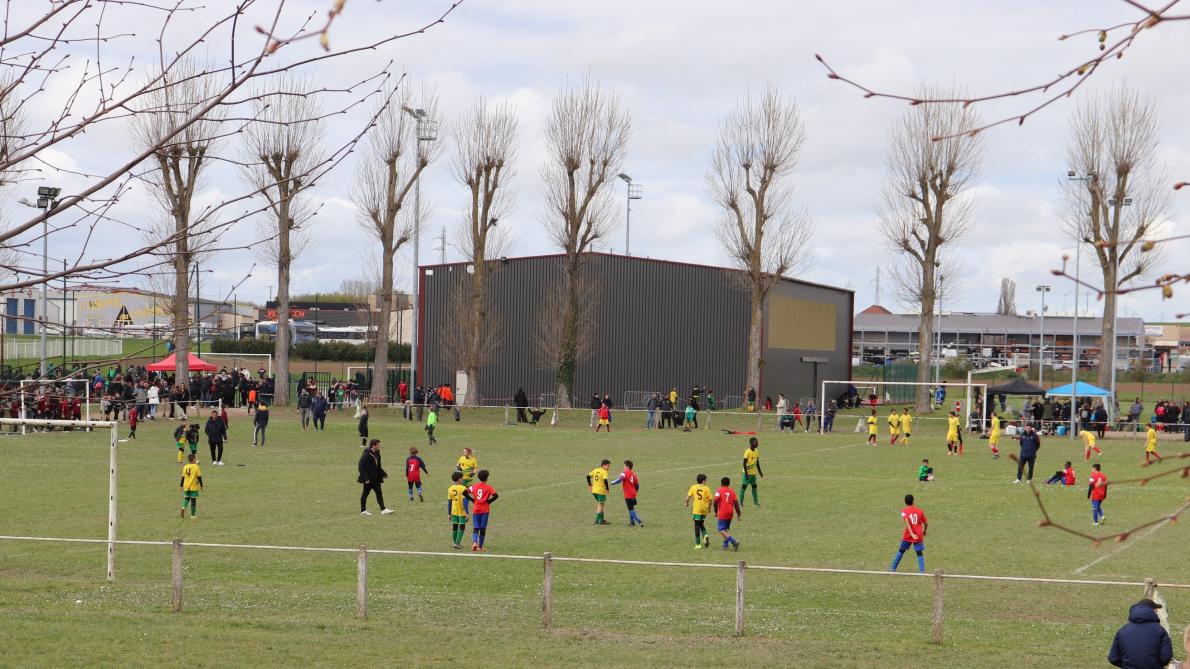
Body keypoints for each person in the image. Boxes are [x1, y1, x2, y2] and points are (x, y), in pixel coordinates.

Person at [1108, 599, 1173, 669]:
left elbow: (1113, 658)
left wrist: (1126, 665)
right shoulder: (1160, 630)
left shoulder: (1122, 631)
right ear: (1154, 610)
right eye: (1156, 610)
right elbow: (1166, 657)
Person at [890, 494, 927, 573]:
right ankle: (922, 571)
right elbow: (926, 523)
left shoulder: (904, 511)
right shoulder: (920, 511)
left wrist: (911, 533)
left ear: (905, 502)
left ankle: (893, 568)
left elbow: (907, 521)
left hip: (908, 535)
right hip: (918, 534)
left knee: (901, 550)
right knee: (919, 552)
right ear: (913, 501)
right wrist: (925, 531)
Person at [357, 439, 392, 516]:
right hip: (368, 479)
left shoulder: (377, 454)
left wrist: (383, 473)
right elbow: (360, 467)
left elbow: (378, 466)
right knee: (365, 494)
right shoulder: (366, 454)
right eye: (378, 445)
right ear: (374, 445)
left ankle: (383, 509)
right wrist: (366, 478)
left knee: (379, 493)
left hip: (376, 478)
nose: (379, 446)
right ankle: (363, 510)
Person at [466, 469, 498, 552]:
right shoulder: (489, 487)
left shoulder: (474, 486)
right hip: (485, 510)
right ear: (487, 478)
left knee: (476, 527)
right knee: (483, 528)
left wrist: (472, 500)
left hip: (476, 509)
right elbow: (496, 495)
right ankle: (480, 547)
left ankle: (474, 542)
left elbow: (464, 493)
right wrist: (488, 502)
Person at [610, 460, 643, 527]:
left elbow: (619, 479)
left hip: (628, 494)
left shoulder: (624, 472)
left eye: (624, 465)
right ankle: (632, 523)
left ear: (626, 466)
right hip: (633, 493)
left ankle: (639, 521)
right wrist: (635, 491)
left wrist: (613, 482)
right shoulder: (634, 474)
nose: (623, 467)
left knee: (630, 509)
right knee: (631, 508)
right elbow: (637, 485)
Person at [684, 474, 713, 549]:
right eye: (706, 480)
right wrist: (709, 508)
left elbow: (687, 498)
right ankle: (705, 535)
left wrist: (687, 503)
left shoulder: (693, 487)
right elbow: (710, 500)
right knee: (701, 523)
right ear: (703, 481)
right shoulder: (707, 488)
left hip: (697, 509)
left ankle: (698, 544)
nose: (706, 482)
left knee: (696, 525)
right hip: (704, 509)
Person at [713, 477, 742, 550]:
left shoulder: (718, 490)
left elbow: (715, 501)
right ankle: (725, 545)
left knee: (720, 529)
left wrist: (716, 511)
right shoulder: (732, 491)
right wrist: (739, 514)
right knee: (725, 528)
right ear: (729, 484)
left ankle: (734, 541)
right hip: (730, 512)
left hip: (723, 512)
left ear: (721, 483)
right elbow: (736, 503)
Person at [447, 471, 469, 549]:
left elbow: (449, 502)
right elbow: (465, 501)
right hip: (461, 511)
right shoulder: (463, 488)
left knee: (455, 526)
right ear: (459, 479)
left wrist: (449, 513)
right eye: (462, 478)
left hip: (454, 511)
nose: (462, 479)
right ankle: (457, 543)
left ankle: (455, 543)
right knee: (462, 526)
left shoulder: (450, 488)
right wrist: (467, 512)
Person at [179, 452, 203, 519]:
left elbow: (183, 477)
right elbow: (199, 477)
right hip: (193, 486)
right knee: (193, 500)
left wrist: (181, 486)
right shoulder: (196, 467)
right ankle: (192, 515)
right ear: (193, 459)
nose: (196, 460)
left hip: (186, 485)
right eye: (195, 459)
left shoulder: (185, 467)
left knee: (186, 498)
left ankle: (183, 507)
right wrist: (201, 485)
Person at [740, 437, 763, 507]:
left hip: (753, 473)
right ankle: (740, 503)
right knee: (744, 487)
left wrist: (760, 472)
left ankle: (756, 503)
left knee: (754, 486)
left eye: (757, 442)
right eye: (755, 442)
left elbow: (757, 462)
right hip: (747, 473)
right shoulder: (747, 452)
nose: (757, 443)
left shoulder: (756, 451)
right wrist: (746, 474)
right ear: (751, 443)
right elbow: (744, 463)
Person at [587, 459, 611, 525]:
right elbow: (605, 480)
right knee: (600, 505)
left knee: (601, 505)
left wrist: (590, 485)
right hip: (600, 491)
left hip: (594, 491)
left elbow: (588, 476)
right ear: (603, 465)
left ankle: (602, 520)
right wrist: (607, 489)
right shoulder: (604, 471)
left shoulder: (595, 470)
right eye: (607, 466)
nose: (608, 468)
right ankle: (597, 520)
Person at [456, 447, 478, 513]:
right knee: (464, 493)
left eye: (465, 452)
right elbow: (457, 464)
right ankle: (465, 509)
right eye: (463, 452)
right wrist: (458, 467)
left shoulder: (473, 460)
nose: (464, 453)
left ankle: (476, 504)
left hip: (469, 480)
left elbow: (476, 468)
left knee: (468, 493)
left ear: (469, 452)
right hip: (462, 479)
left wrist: (473, 473)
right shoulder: (461, 458)